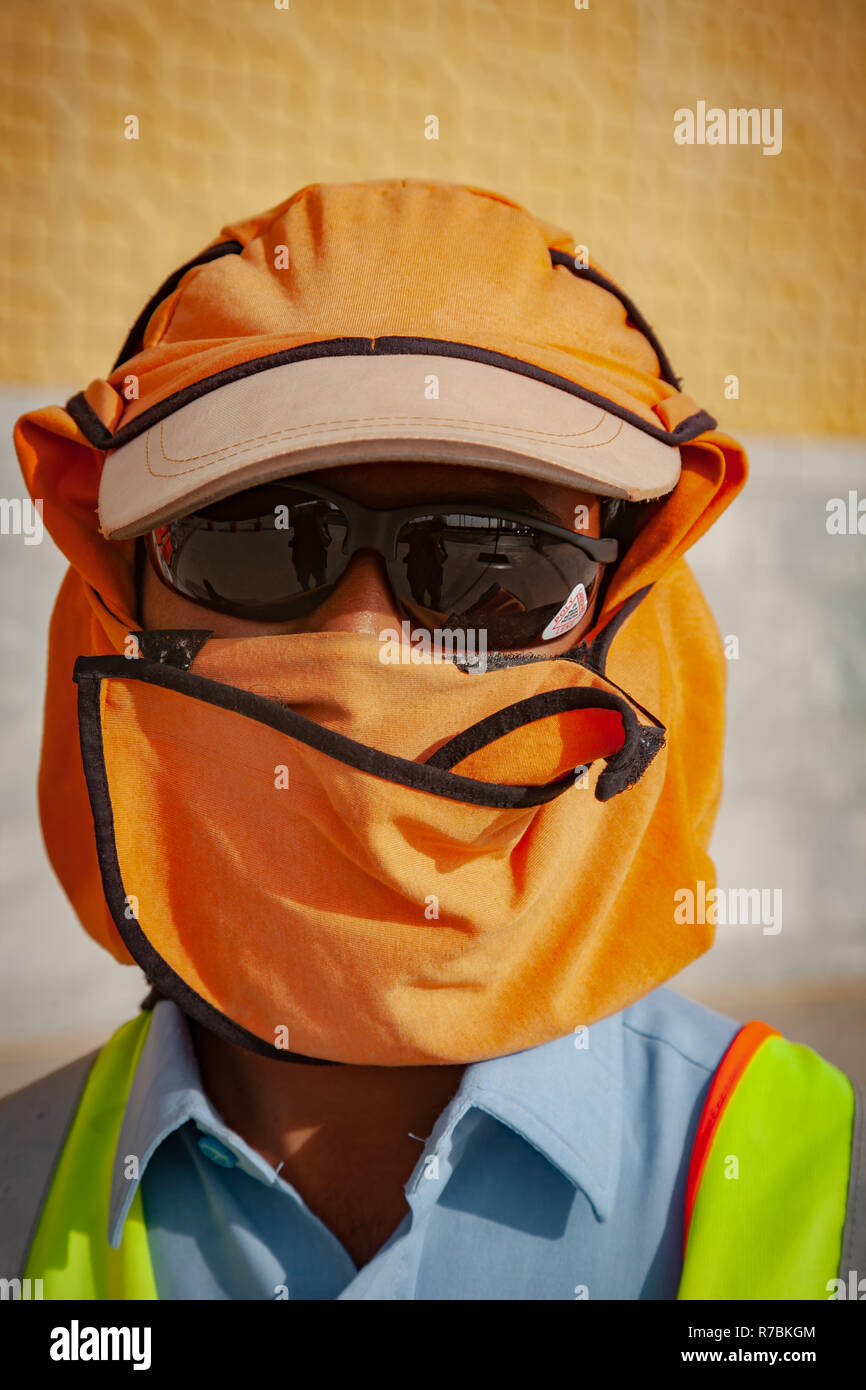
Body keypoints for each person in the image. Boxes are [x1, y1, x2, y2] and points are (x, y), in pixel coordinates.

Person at [1, 178, 861, 1301]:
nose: (363, 649)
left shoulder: (827, 1196)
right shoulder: (20, 1188)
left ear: (632, 620)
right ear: (119, 602)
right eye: (256, 540)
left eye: (492, 565)